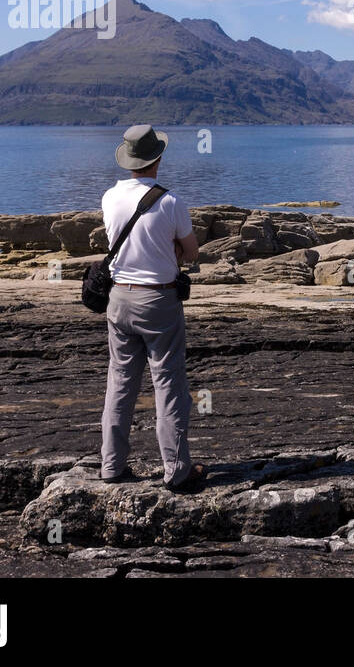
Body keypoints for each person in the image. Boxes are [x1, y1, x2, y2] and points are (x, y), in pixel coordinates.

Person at [99, 124, 205, 493]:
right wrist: (174, 251)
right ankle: (176, 470)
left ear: (129, 159)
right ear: (158, 158)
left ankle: (112, 465)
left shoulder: (110, 197)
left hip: (118, 298)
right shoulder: (170, 201)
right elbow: (191, 252)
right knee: (169, 383)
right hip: (158, 300)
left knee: (121, 382)